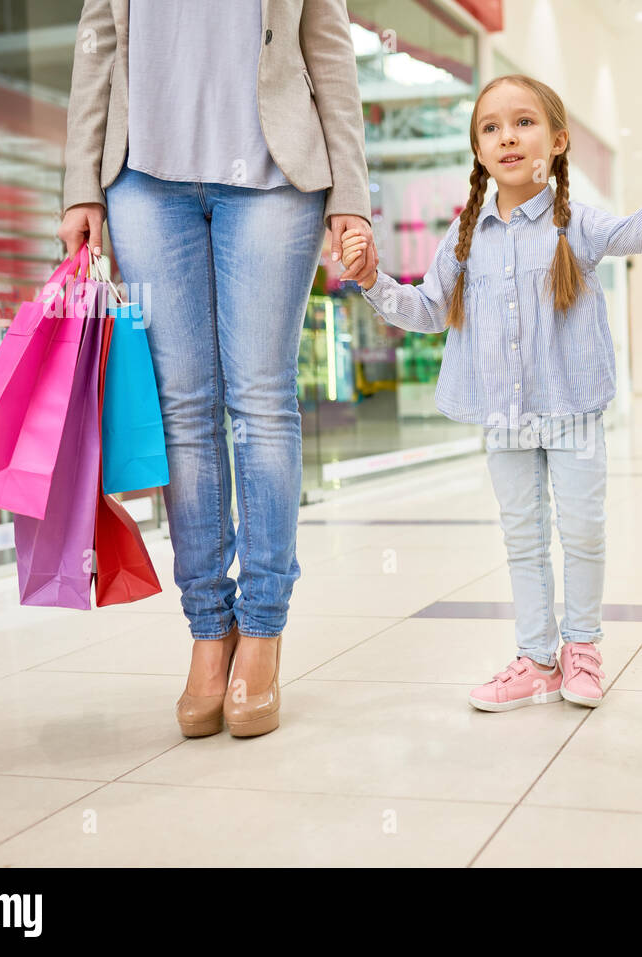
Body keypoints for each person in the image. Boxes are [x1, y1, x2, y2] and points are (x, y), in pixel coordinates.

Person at [56, 0, 378, 739]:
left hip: (272, 173)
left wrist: (351, 198)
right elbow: (97, 43)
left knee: (262, 400)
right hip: (143, 176)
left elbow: (327, 48)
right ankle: (208, 627)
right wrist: (80, 183)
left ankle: (262, 626)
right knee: (183, 410)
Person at [342, 74, 642, 712]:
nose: (508, 136)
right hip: (503, 416)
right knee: (522, 535)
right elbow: (426, 308)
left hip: (573, 411)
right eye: (491, 127)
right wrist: (372, 279)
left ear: (558, 142)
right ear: (478, 151)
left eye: (524, 122)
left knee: (583, 531)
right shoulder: (465, 237)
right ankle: (536, 659)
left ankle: (581, 649)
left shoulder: (577, 225)